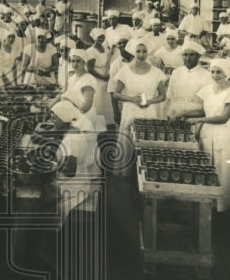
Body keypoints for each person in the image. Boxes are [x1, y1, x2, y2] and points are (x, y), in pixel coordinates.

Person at [179, 59, 230, 211]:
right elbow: (202, 110)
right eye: (212, 71)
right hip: (207, 132)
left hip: (224, 134)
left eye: (219, 72)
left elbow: (223, 118)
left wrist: (198, 120)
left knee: (223, 170)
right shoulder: (206, 89)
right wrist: (183, 113)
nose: (215, 75)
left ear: (226, 73)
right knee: (208, 167)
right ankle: (207, 205)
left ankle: (224, 207)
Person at [111, 39, 168, 173]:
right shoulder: (125, 71)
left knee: (146, 142)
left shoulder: (156, 72)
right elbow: (116, 94)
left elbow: (162, 96)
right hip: (130, 110)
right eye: (138, 51)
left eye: (144, 51)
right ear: (133, 52)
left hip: (149, 112)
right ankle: (128, 174)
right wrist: (131, 99)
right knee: (129, 142)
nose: (141, 54)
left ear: (148, 53)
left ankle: (146, 174)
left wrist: (150, 101)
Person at [164, 40, 212, 119]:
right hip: (175, 117)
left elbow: (207, 105)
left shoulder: (206, 75)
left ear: (198, 56)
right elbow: (170, 97)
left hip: (195, 119)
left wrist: (185, 114)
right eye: (185, 55)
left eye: (192, 55)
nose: (188, 58)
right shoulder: (176, 72)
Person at [85, 27, 116, 127]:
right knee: (98, 101)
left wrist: (108, 75)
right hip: (97, 79)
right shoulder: (91, 51)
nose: (101, 40)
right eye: (99, 38)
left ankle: (107, 122)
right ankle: (96, 123)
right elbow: (90, 69)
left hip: (106, 76)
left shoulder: (106, 49)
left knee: (106, 101)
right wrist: (102, 77)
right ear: (94, 38)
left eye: (102, 38)